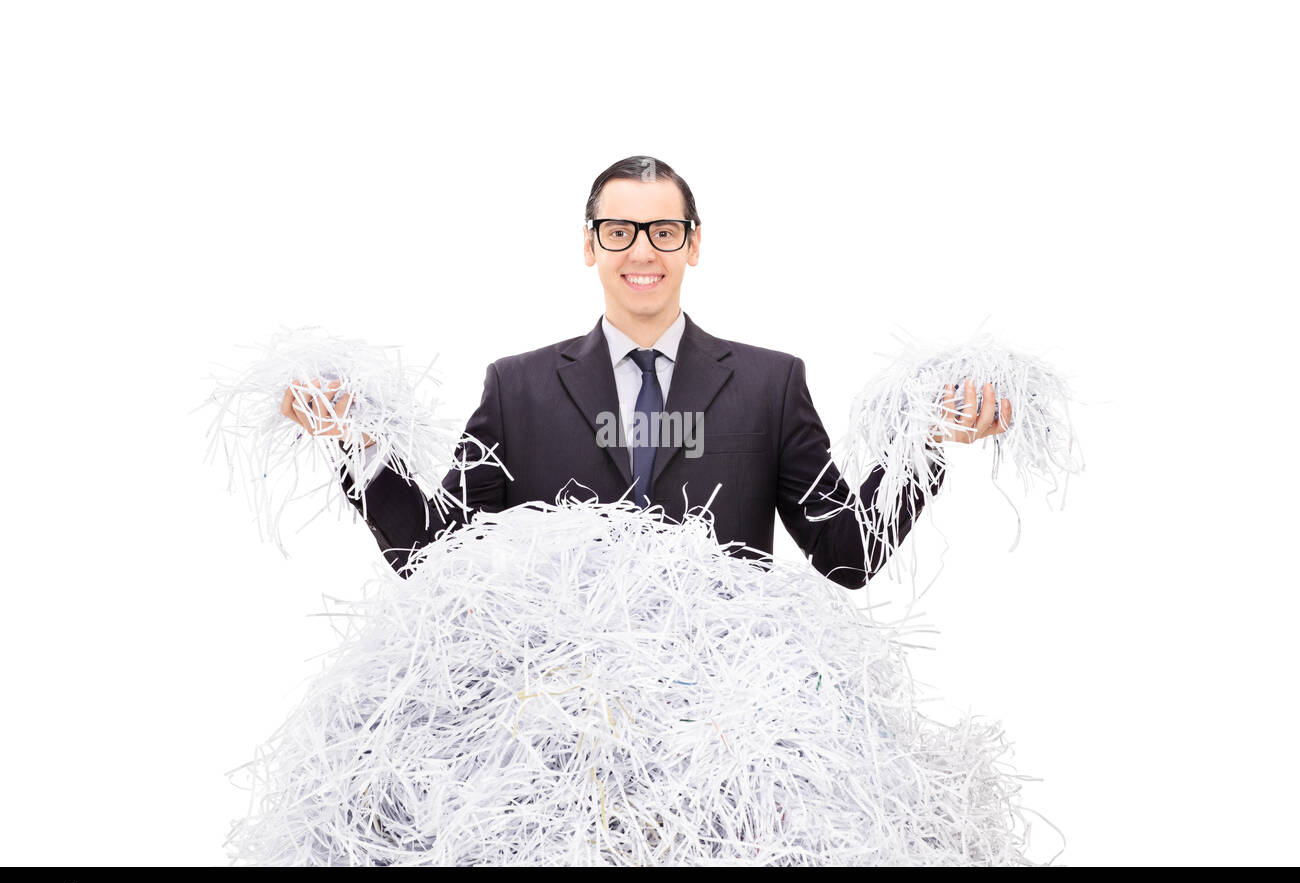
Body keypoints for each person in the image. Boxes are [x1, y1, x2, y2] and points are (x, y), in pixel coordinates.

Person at [281, 156, 1011, 587]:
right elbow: (433, 557)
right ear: (590, 246)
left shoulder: (769, 384)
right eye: (618, 231)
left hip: (724, 731)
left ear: (693, 246)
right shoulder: (519, 388)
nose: (642, 252)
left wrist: (925, 441)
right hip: (555, 738)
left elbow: (847, 553)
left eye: (664, 232)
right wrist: (359, 438)